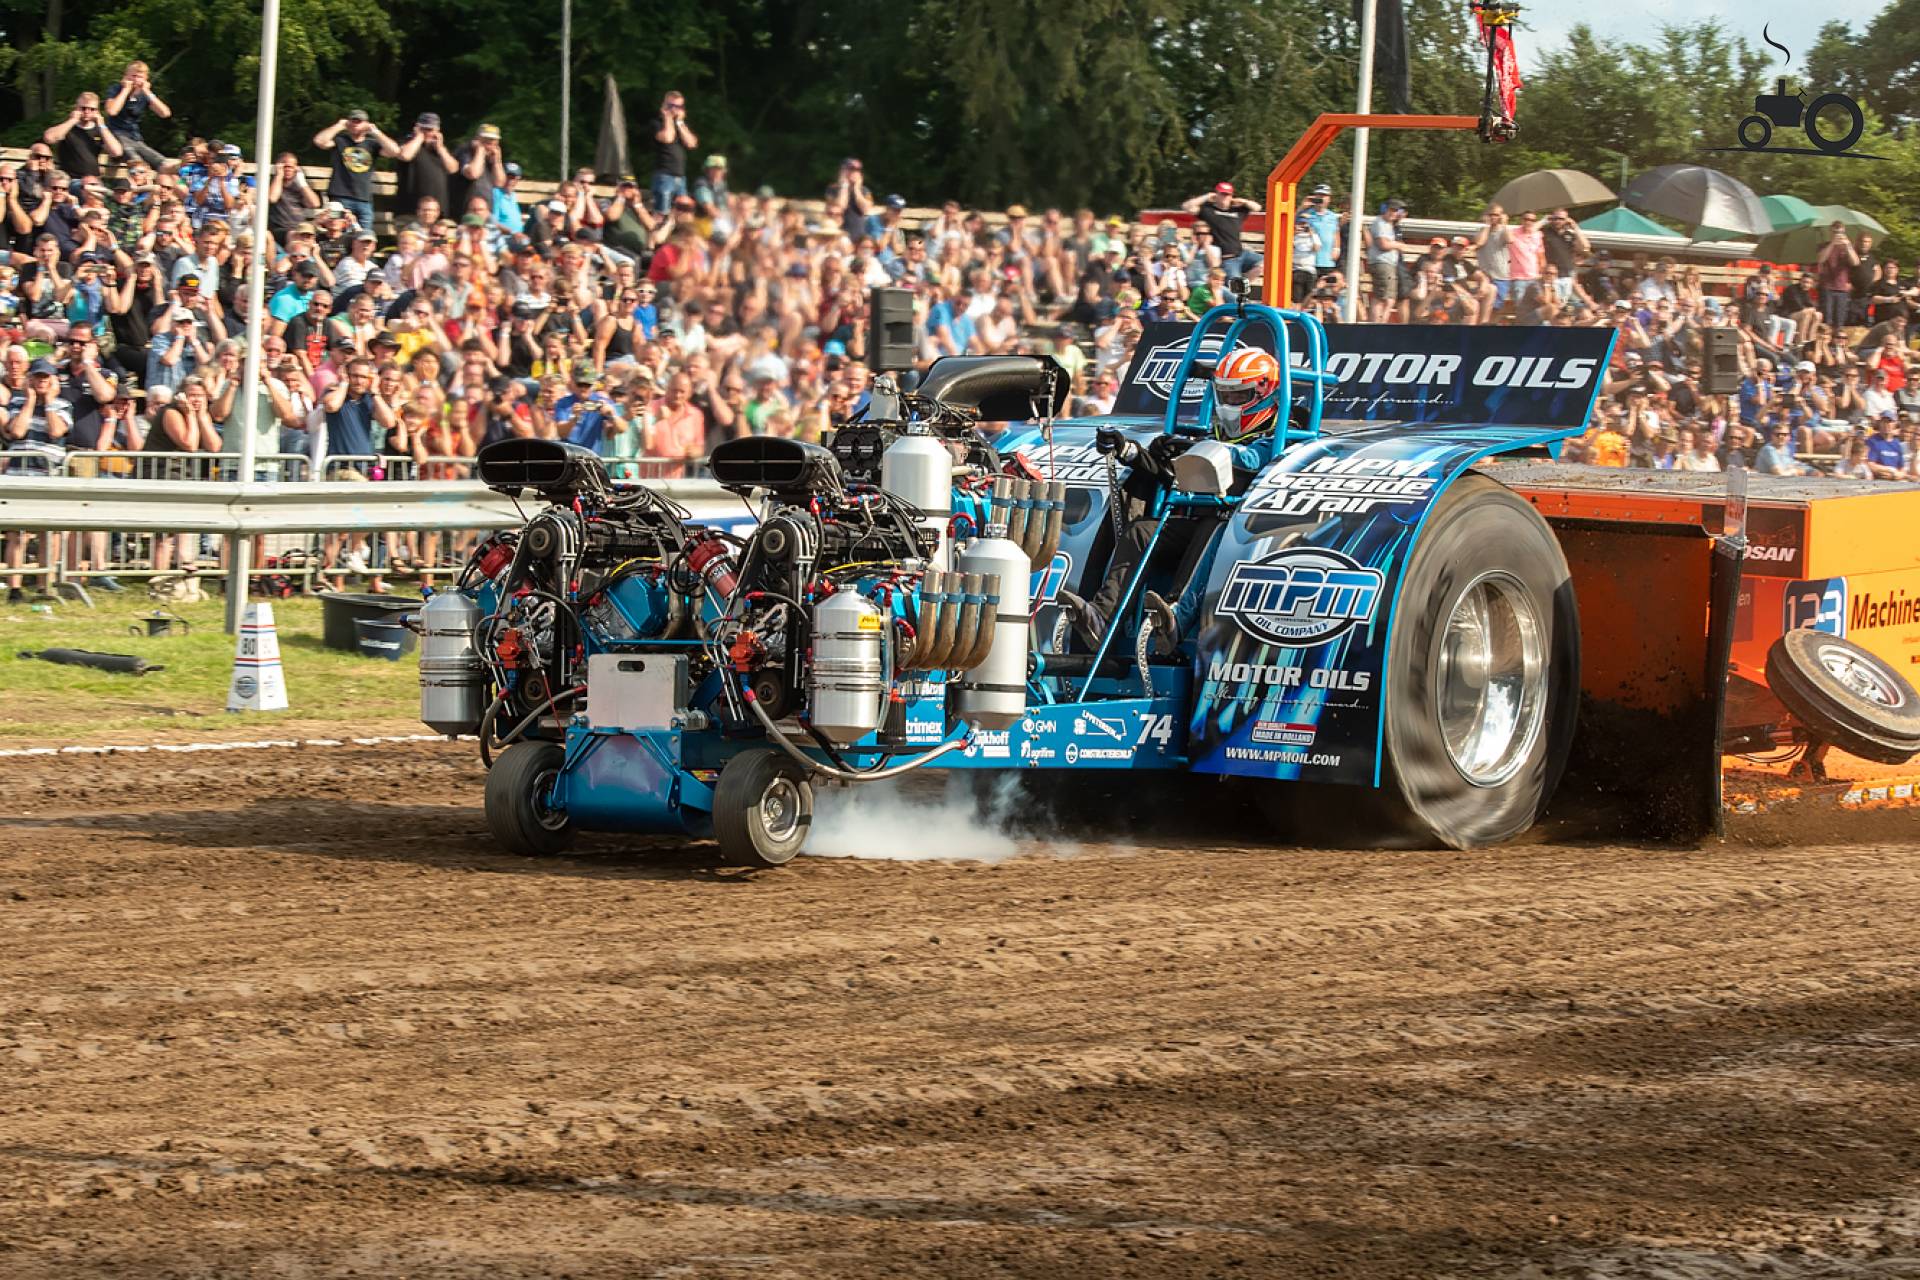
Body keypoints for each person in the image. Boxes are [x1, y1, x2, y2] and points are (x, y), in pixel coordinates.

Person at [1057, 346, 1285, 653]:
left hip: (1239, 533)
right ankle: (1102, 617)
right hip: (1190, 519)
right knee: (1141, 531)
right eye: (1225, 396)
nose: (1229, 405)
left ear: (1264, 393)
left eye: (1238, 396)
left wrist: (1198, 449)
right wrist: (1131, 452)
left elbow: (1253, 459)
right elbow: (1171, 472)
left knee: (1214, 526)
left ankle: (1177, 615)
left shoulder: (1283, 434)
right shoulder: (1214, 433)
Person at [313, 111, 398, 231]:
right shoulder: (340, 140)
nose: (356, 124)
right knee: (339, 232)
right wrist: (339, 126)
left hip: (364, 200)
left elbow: (394, 151)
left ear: (367, 124)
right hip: (339, 199)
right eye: (353, 120)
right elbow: (319, 141)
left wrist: (376, 132)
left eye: (359, 121)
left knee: (365, 236)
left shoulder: (372, 144)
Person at [1179, 182, 1262, 281]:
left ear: (1231, 196)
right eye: (1222, 194)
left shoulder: (1238, 210)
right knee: (1234, 287)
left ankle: (1245, 283)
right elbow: (1186, 206)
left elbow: (1257, 208)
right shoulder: (1208, 210)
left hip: (1242, 254)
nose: (1225, 197)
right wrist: (1207, 196)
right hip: (1227, 259)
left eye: (1228, 194)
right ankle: (1241, 288)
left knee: (1267, 262)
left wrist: (1243, 201)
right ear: (1216, 194)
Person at [102, 62, 173, 171]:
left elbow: (165, 113)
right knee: (137, 163)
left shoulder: (144, 94)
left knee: (164, 164)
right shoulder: (116, 89)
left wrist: (147, 92)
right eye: (133, 76)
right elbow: (112, 111)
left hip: (135, 137)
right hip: (116, 135)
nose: (136, 79)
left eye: (140, 77)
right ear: (126, 76)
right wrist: (125, 90)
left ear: (145, 79)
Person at [43, 92, 124, 180]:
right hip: (70, 180)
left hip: (93, 180)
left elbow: (117, 152)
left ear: (97, 111)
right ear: (76, 108)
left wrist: (102, 125)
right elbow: (48, 138)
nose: (87, 112)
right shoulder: (67, 128)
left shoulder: (99, 131)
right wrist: (73, 120)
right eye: (83, 108)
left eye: (92, 109)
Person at [650, 90, 698, 214]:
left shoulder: (681, 125)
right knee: (663, 214)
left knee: (683, 215)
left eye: (678, 106)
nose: (674, 109)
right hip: (664, 177)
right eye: (671, 105)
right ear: (664, 105)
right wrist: (668, 118)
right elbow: (667, 138)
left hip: (680, 178)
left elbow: (691, 143)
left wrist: (680, 122)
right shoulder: (657, 123)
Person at [1365, 198, 1412, 323]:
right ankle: (1378, 326)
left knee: (1386, 298)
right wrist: (1399, 245)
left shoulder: (1388, 225)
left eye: (1396, 210)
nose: (1394, 213)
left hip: (1387, 264)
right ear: (1385, 209)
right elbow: (1383, 244)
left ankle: (1380, 324)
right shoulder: (1380, 223)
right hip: (1383, 263)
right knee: (1384, 299)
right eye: (1392, 210)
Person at [1816, 223, 1861, 334]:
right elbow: (1821, 259)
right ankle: (1824, 342)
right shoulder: (1824, 245)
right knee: (1827, 320)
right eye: (1835, 232)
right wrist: (1832, 244)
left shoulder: (1847, 247)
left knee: (1839, 322)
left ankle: (1836, 344)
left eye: (1840, 232)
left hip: (1842, 289)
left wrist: (1849, 246)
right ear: (1830, 233)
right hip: (1827, 287)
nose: (1838, 235)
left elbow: (1855, 262)